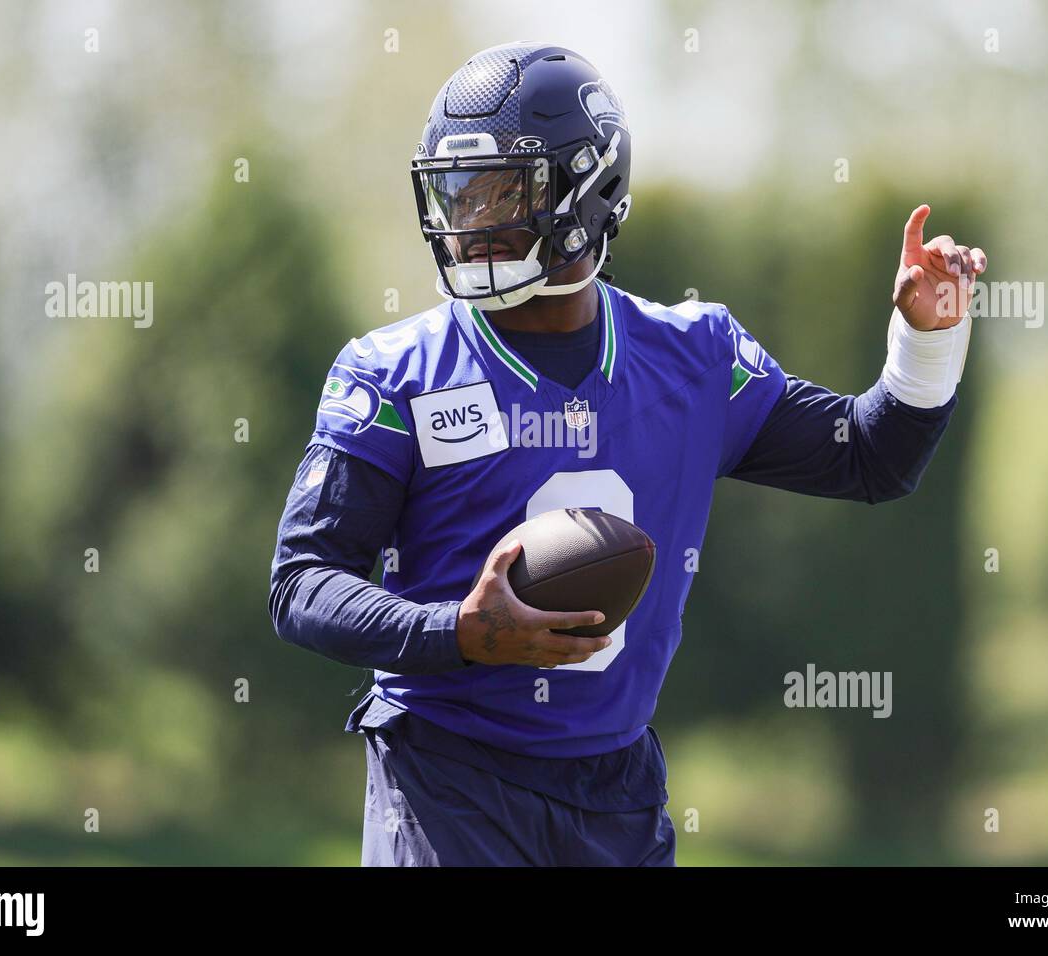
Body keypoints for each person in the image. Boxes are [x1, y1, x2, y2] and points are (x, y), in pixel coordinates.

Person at [269, 41, 987, 866]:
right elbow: (303, 584)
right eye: (458, 193)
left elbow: (870, 457)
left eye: (502, 192)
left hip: (616, 790)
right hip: (444, 776)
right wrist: (459, 631)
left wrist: (926, 340)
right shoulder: (396, 372)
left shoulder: (693, 357)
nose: (470, 223)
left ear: (586, 190)